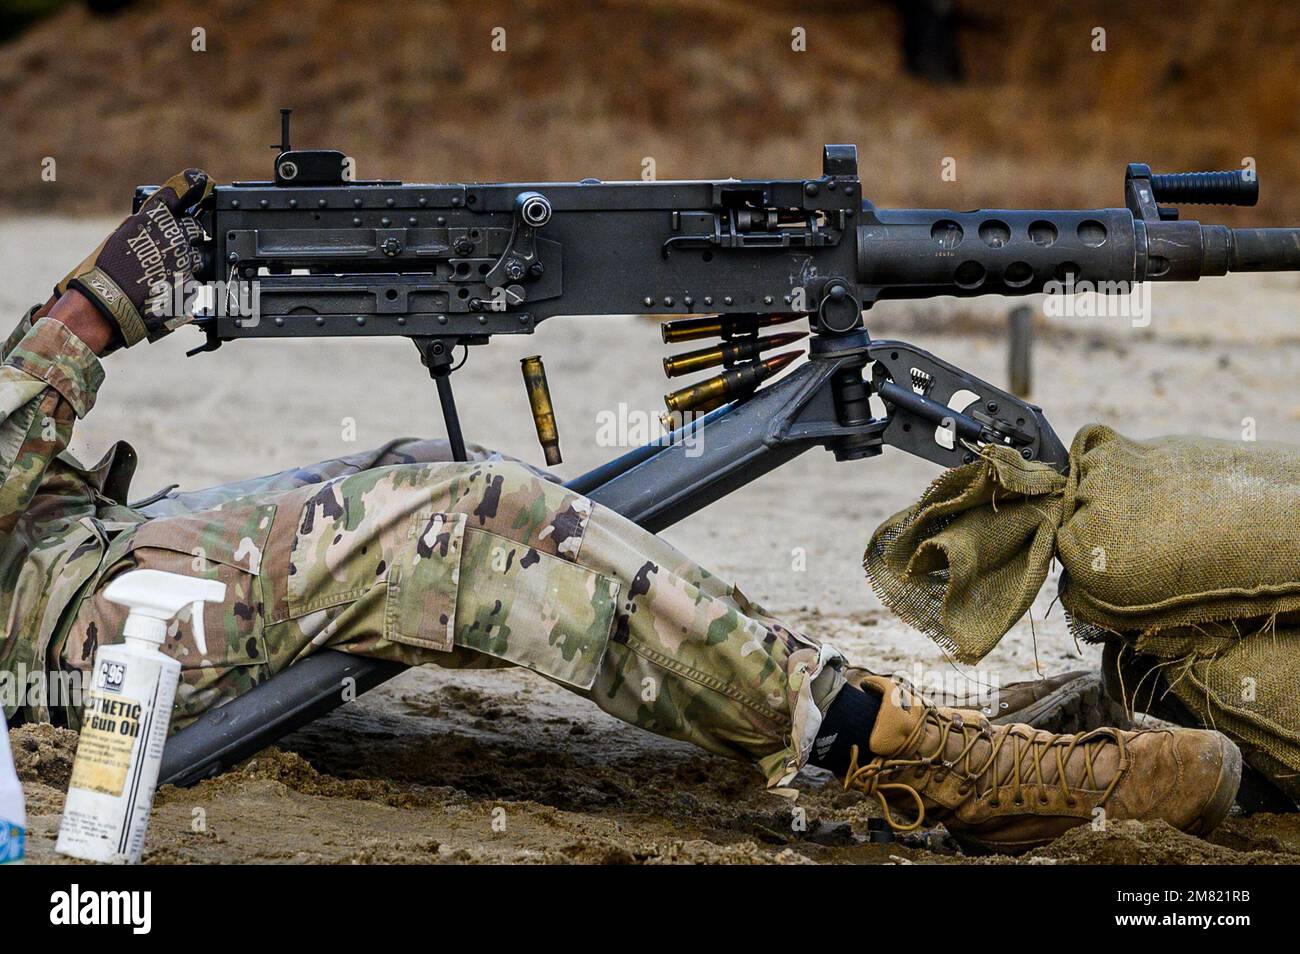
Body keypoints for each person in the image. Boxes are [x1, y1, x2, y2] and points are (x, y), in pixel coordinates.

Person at [0, 169, 1243, 854]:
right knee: (472, 520)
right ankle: (899, 749)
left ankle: (828, 692)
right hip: (51, 635)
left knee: (420, 475)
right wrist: (90, 313)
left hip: (71, 557)